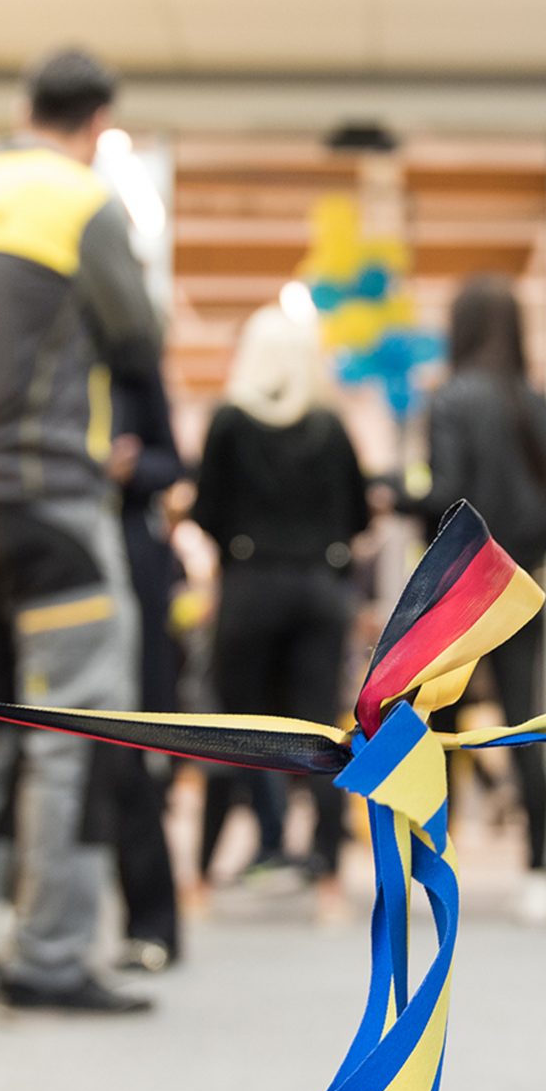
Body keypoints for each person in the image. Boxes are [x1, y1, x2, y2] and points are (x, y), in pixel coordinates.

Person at [0, 47, 160, 1014]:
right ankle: (52, 953)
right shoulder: (80, 202)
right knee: (74, 734)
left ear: (23, 106)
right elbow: (140, 335)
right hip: (51, 507)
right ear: (98, 124)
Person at [394, 276, 546, 922]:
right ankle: (541, 869)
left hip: (458, 592)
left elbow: (448, 493)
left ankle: (436, 864)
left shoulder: (450, 400)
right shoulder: (535, 399)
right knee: (526, 723)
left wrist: (394, 494)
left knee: (439, 730)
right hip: (520, 586)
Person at [190, 305, 370, 925]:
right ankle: (328, 887)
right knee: (320, 737)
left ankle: (201, 880)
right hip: (321, 587)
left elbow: (205, 511)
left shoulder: (228, 423)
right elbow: (360, 516)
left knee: (228, 734)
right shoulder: (330, 424)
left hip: (248, 586)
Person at [104, 364, 184, 973]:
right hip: (48, 563)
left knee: (128, 749)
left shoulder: (131, 373)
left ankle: (151, 924)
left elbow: (171, 464)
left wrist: (131, 469)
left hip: (131, 572)